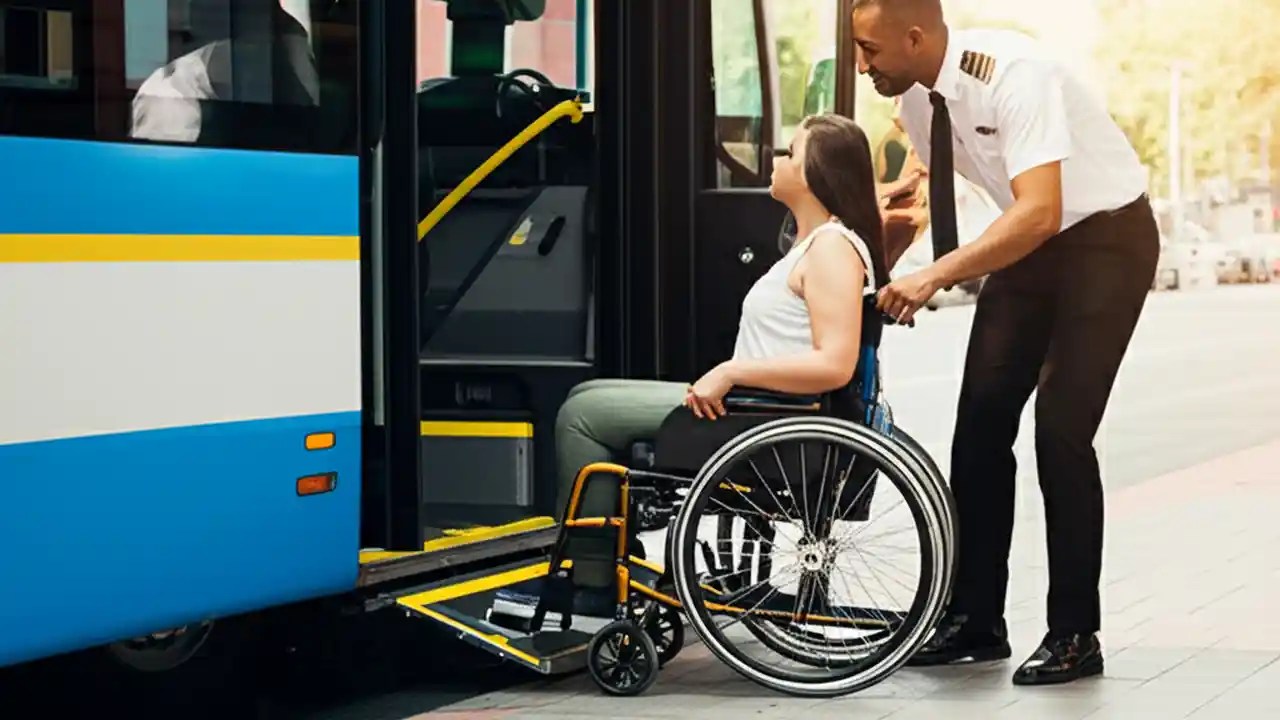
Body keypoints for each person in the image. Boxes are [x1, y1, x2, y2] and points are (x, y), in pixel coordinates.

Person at [851, 0, 1158, 686]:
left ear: (915, 36)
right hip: (1031, 249)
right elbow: (927, 199)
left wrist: (933, 276)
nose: (860, 64)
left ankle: (1076, 634)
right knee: (981, 424)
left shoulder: (1017, 75)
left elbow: (1042, 208)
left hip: (1105, 239)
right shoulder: (917, 103)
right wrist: (873, 269)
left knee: (1061, 430)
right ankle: (976, 623)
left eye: (870, 50)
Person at [554, 112, 889, 538]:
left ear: (816, 174)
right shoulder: (813, 246)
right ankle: (601, 562)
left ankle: (590, 575)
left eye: (791, 152)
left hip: (761, 420)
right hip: (756, 409)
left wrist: (731, 371)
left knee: (580, 416)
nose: (776, 158)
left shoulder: (831, 249)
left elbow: (834, 365)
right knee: (587, 393)